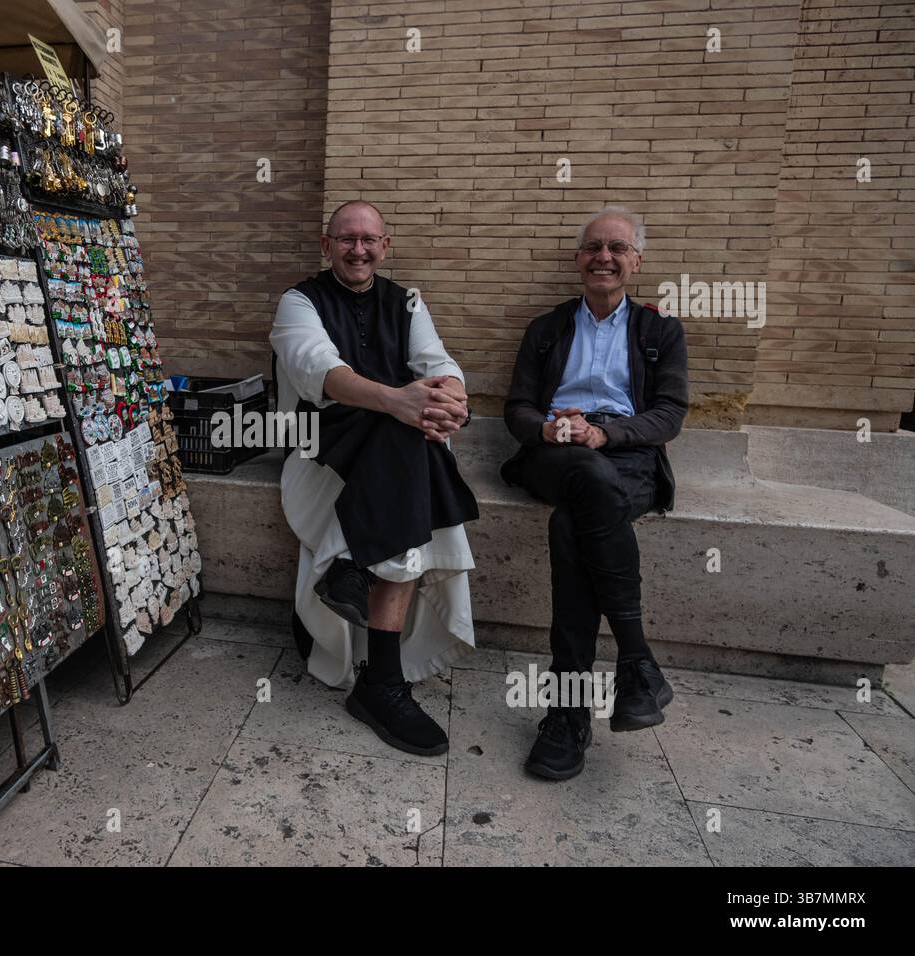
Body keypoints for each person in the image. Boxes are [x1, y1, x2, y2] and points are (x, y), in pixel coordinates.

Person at [269, 200, 479, 757]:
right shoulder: (298, 302)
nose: (357, 249)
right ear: (325, 244)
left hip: (393, 461)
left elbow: (437, 362)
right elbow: (321, 370)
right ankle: (379, 675)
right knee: (410, 436)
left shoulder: (406, 301)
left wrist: (451, 400)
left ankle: (350, 577)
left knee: (412, 437)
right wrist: (398, 401)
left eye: (368, 240)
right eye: (345, 239)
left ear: (386, 246)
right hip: (321, 456)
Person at [500, 205, 689, 780]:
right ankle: (635, 660)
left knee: (569, 524)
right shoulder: (548, 327)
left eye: (617, 248)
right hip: (554, 454)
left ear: (636, 260)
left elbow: (670, 414)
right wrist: (549, 428)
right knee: (583, 476)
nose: (603, 258)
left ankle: (568, 711)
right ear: (578, 258)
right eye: (592, 248)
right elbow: (516, 408)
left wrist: (606, 432)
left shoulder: (661, 330)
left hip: (625, 458)